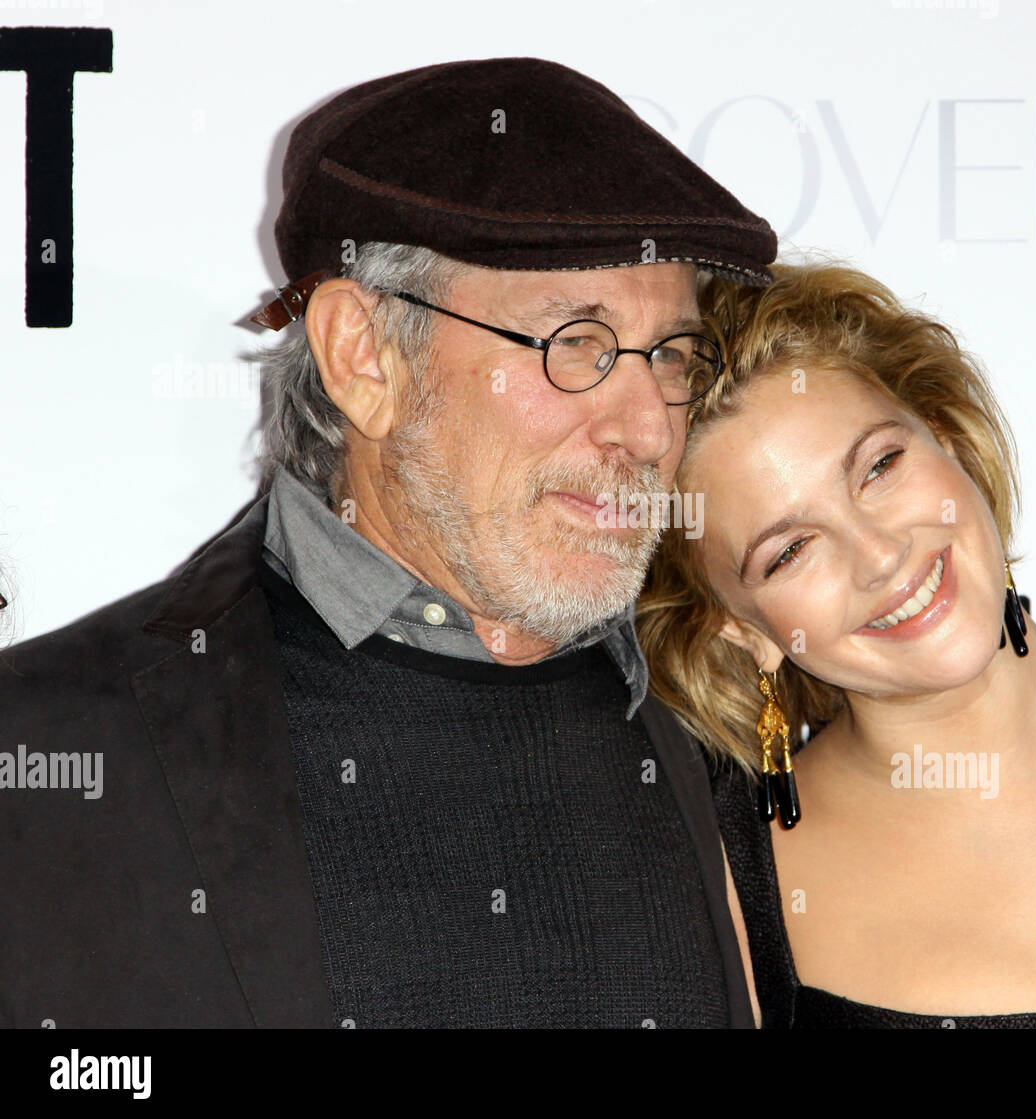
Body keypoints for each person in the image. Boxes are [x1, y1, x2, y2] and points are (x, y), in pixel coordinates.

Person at [0, 58, 778, 1028]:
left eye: (669, 356)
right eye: (574, 343)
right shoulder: (48, 744)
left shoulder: (723, 722)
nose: (650, 430)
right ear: (364, 357)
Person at [637, 261, 1036, 1027]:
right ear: (742, 627)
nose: (881, 553)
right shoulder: (729, 897)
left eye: (879, 466)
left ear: (946, 436)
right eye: (789, 551)